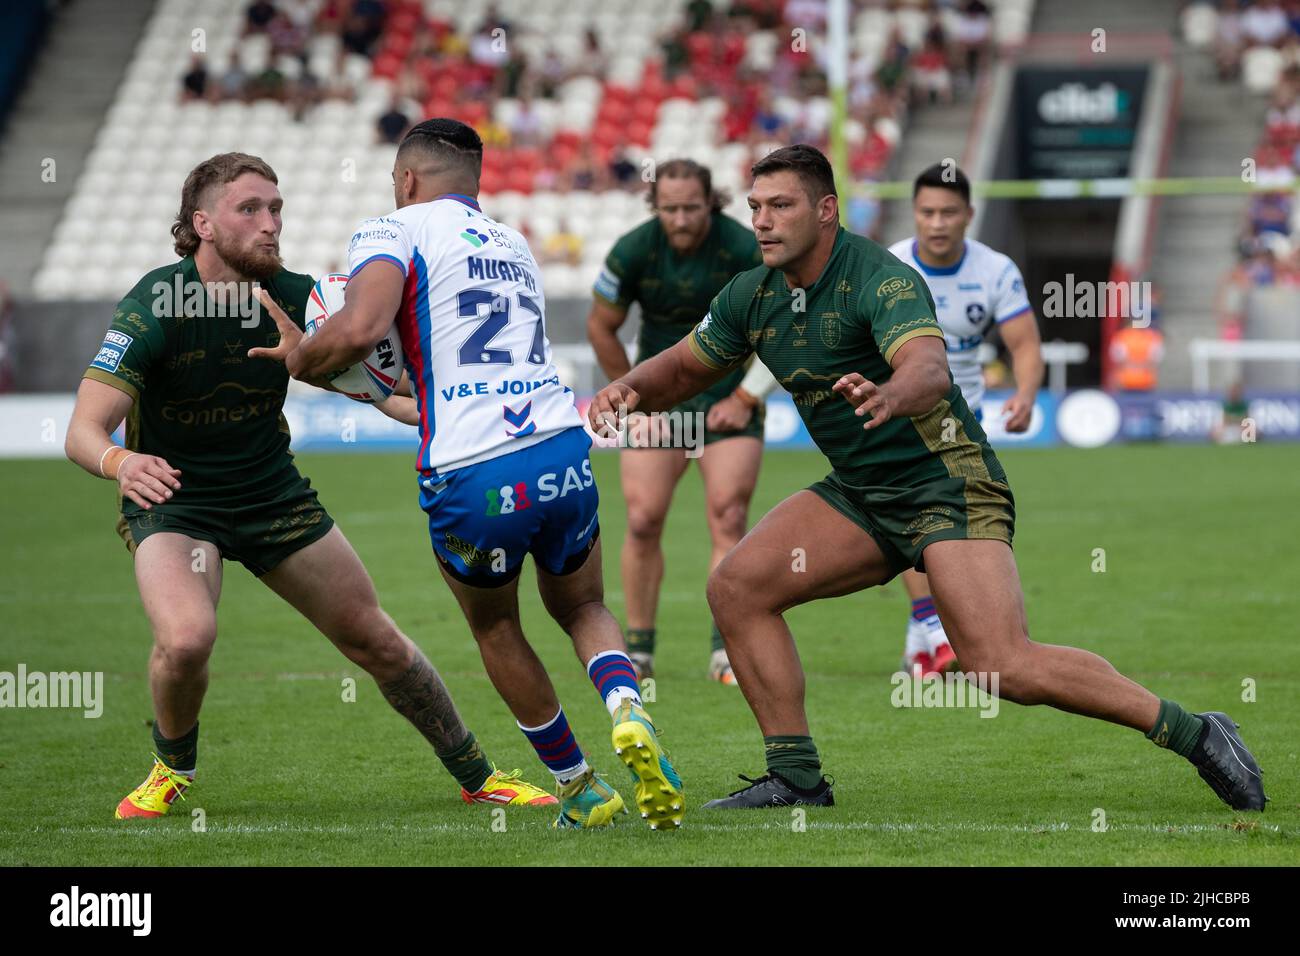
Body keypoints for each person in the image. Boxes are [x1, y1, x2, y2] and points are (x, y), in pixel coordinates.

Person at [588, 144, 1267, 814]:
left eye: (781, 206)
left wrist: (889, 396)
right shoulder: (752, 293)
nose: (762, 220)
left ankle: (1196, 731)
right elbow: (682, 369)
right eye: (756, 206)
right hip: (861, 492)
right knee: (736, 588)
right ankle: (795, 777)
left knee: (1001, 664)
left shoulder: (881, 277)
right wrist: (624, 389)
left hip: (947, 484)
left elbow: (928, 369)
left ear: (826, 211)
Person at [65, 152, 555, 819]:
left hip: (273, 497)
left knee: (377, 641)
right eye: (251, 210)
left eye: (277, 210)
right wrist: (122, 464)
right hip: (177, 504)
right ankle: (172, 768)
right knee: (186, 640)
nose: (270, 224)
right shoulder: (157, 303)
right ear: (202, 224)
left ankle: (478, 774)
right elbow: (84, 430)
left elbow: (385, 392)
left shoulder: (296, 296)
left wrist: (461, 410)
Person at [256, 120, 686, 830]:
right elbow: (431, 376)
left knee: (495, 626)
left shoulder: (390, 229)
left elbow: (362, 329)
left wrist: (305, 361)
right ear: (474, 182)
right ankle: (627, 708)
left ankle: (580, 786)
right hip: (557, 447)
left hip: (470, 470)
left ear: (406, 179)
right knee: (582, 607)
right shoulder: (512, 244)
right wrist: (358, 383)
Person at [586, 158, 775, 684]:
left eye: (692, 207)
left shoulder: (743, 247)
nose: (682, 219)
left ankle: (725, 650)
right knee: (644, 519)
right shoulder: (633, 249)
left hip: (725, 400)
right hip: (661, 402)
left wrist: (744, 395)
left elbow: (781, 324)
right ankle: (640, 650)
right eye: (670, 209)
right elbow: (601, 326)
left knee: (729, 517)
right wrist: (631, 397)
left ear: (710, 202)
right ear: (655, 207)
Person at [887, 163, 1043, 676]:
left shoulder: (995, 270)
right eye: (927, 212)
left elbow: (1023, 343)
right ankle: (933, 627)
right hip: (901, 415)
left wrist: (1024, 394)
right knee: (915, 521)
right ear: (914, 213)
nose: (936, 223)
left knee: (955, 531)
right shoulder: (889, 268)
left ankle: (923, 629)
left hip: (965, 420)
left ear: (968, 215)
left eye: (948, 212)